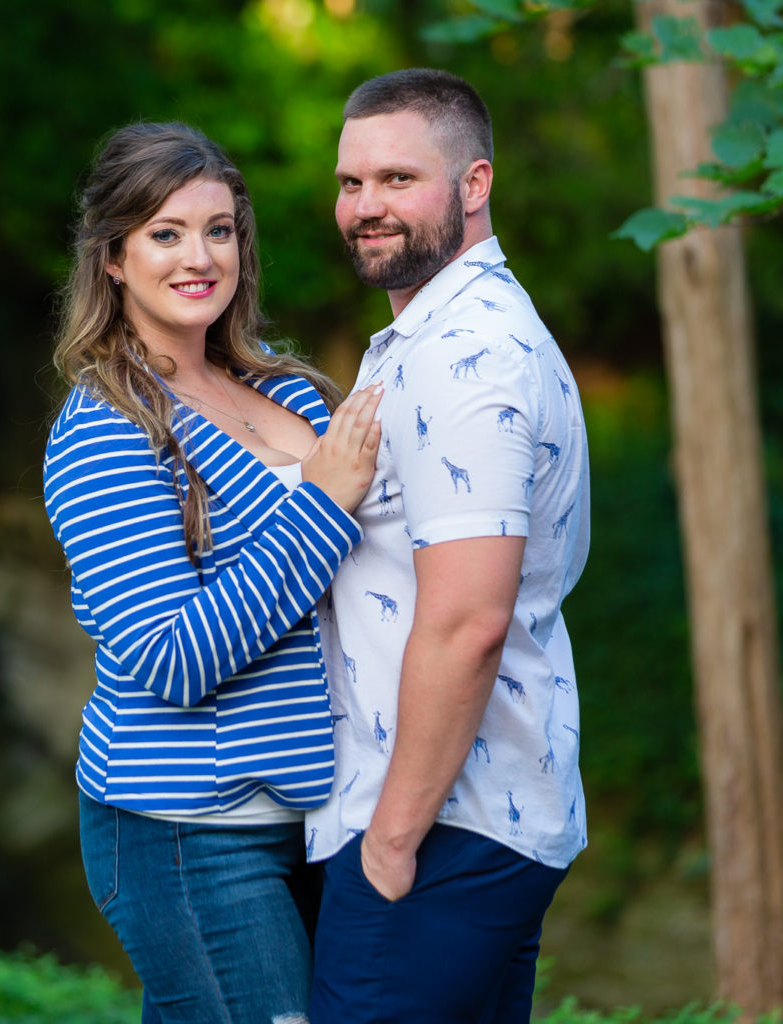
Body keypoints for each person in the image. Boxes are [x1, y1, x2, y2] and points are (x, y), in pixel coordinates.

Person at [43, 121, 383, 1024]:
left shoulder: (287, 391)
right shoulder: (105, 430)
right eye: (166, 233)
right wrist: (325, 501)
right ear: (112, 257)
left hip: (316, 808)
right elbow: (172, 657)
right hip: (186, 830)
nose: (200, 256)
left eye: (219, 229)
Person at [306, 69, 591, 1024]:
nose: (365, 207)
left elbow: (469, 619)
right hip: (465, 821)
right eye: (351, 184)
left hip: (441, 830)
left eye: (397, 180)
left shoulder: (472, 359)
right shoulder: (434, 338)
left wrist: (389, 841)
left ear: (474, 185)